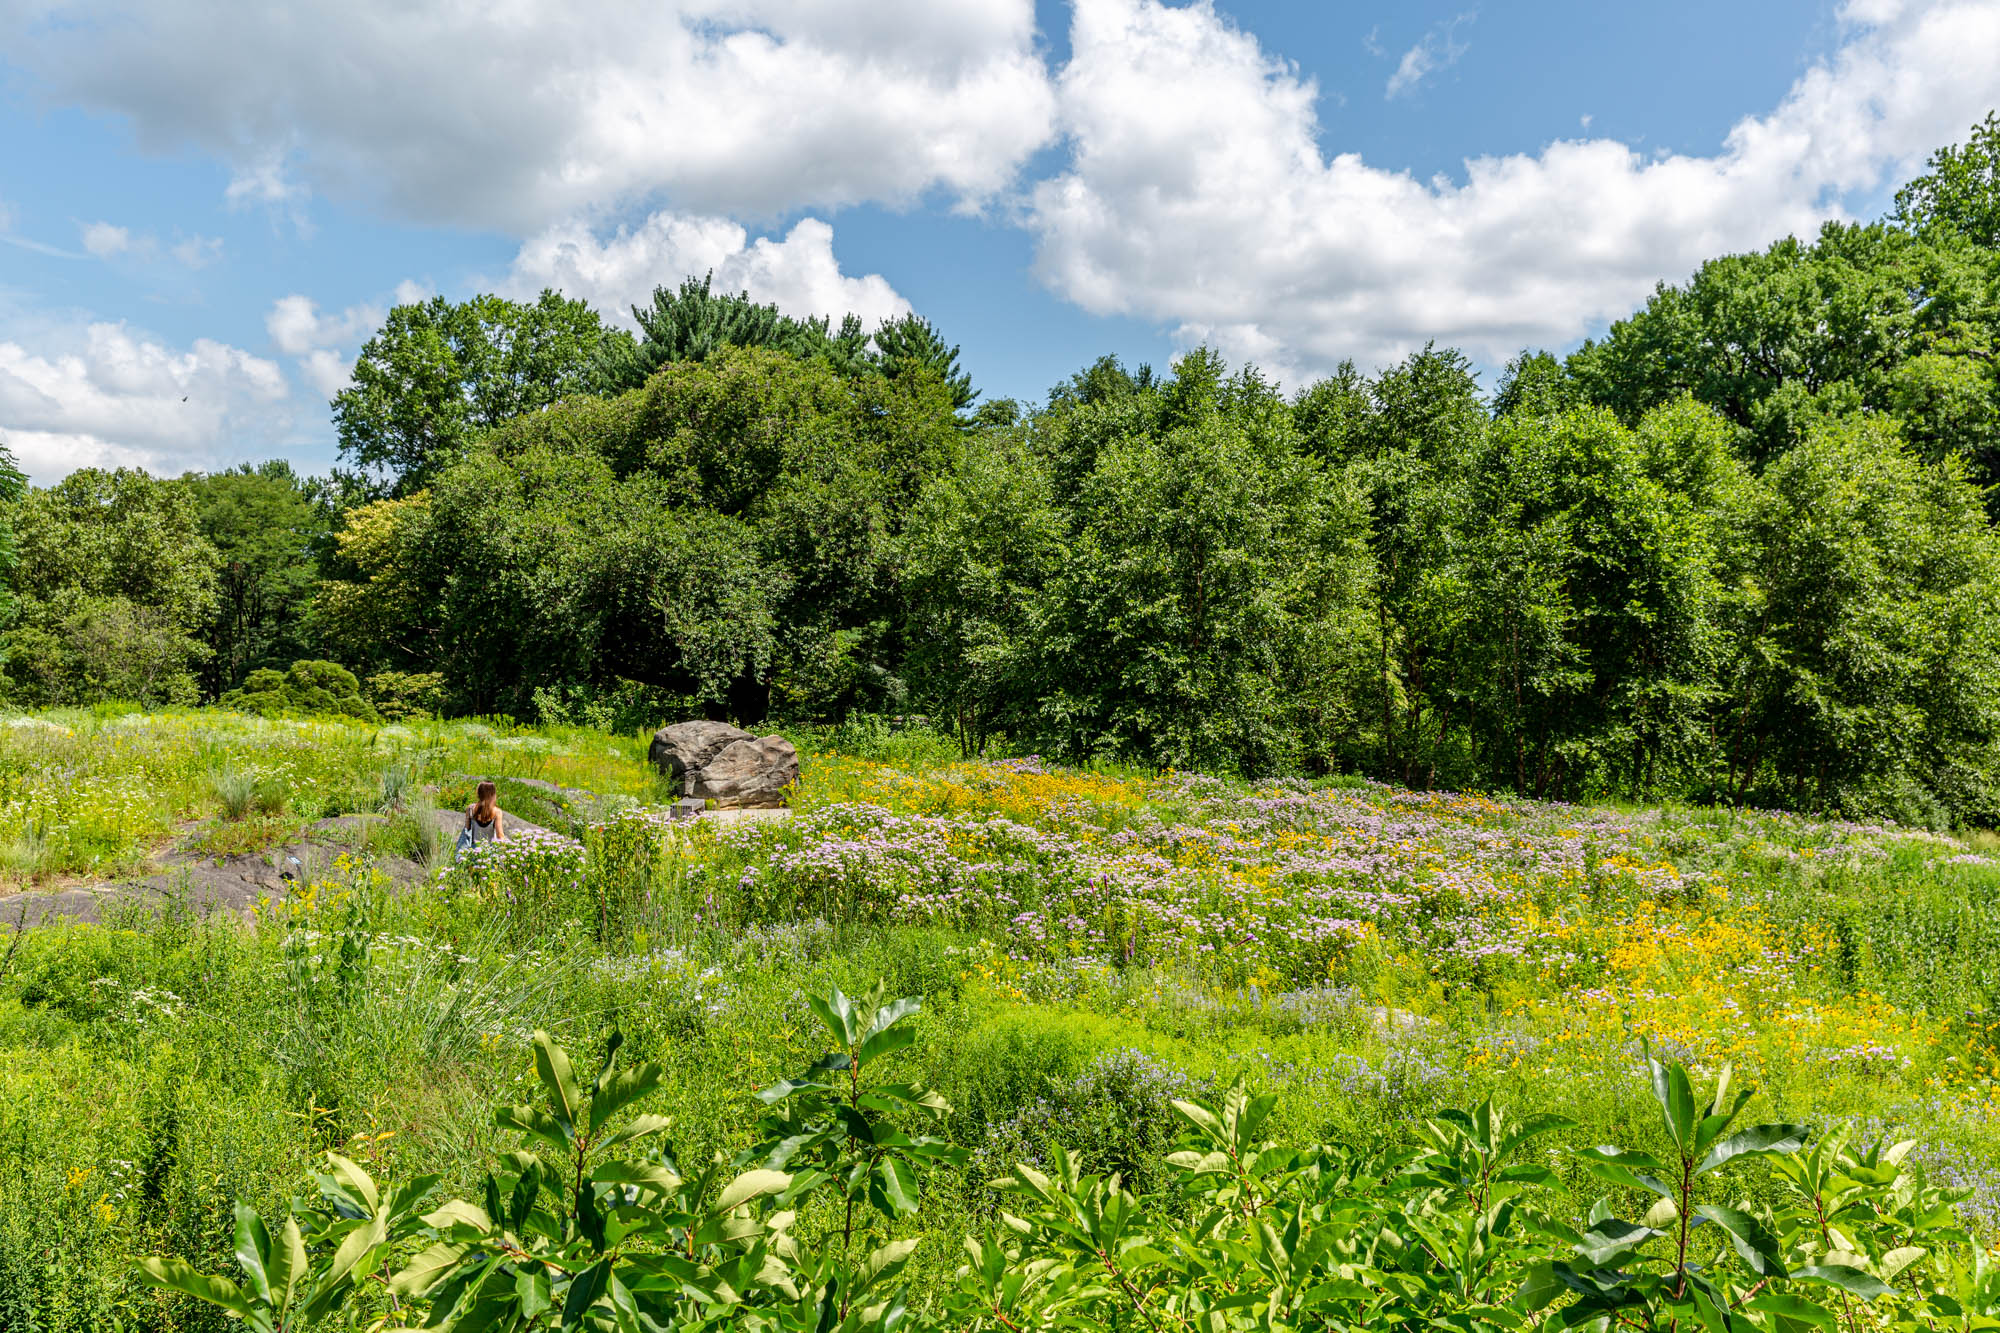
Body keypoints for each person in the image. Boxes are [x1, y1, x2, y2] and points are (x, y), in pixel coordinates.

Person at [457, 779, 507, 856]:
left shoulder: (470, 808)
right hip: (488, 854)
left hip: (473, 852)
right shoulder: (497, 812)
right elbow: (500, 835)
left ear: (479, 793)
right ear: (493, 794)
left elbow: (467, 831)